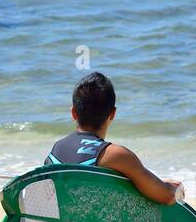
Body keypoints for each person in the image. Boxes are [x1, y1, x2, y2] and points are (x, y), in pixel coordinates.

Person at [45, 71, 181, 205]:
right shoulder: (115, 155)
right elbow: (167, 196)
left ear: (73, 113)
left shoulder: (56, 151)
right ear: (113, 113)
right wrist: (174, 189)